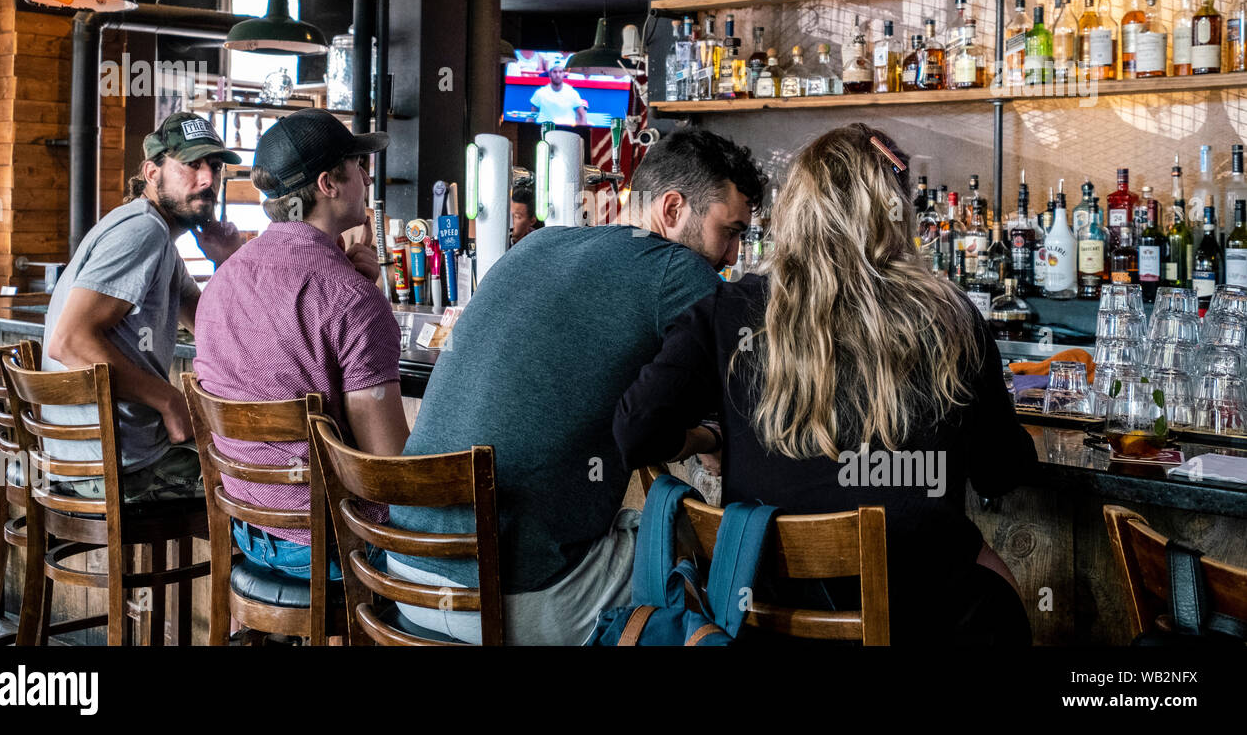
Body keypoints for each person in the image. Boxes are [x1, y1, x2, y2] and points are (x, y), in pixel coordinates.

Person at [614, 124, 1038, 645]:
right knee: (1000, 588)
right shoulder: (950, 316)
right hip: (921, 617)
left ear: (796, 209)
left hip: (763, 611)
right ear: (896, 215)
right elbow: (1002, 474)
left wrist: (709, 438)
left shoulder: (727, 311)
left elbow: (636, 432)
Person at [389, 128, 765, 644]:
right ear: (673, 209)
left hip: (403, 573)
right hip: (515, 596)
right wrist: (711, 440)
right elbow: (756, 387)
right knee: (701, 548)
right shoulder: (680, 271)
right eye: (731, 232)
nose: (732, 256)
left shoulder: (539, 243)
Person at [193, 109, 407, 579]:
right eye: (359, 166)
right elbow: (387, 471)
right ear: (329, 183)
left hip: (247, 531)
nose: (368, 178)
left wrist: (347, 274)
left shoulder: (222, 281)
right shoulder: (351, 300)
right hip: (332, 545)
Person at [43, 113, 244, 501]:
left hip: (89, 458)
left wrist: (227, 260)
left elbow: (212, 327)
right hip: (115, 467)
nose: (208, 180)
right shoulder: (143, 232)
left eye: (215, 167)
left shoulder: (156, 235)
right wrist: (167, 400)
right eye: (192, 165)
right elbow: (68, 342)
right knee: (262, 484)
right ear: (153, 172)